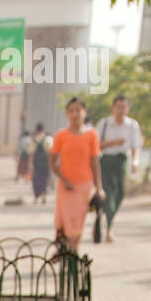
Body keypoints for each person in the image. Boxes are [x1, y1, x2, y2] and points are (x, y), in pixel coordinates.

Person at [50, 97, 104, 251]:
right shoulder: (61, 135)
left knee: (76, 223)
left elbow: (95, 161)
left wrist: (99, 187)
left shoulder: (91, 135)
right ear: (67, 114)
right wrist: (64, 179)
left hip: (84, 185)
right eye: (71, 110)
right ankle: (64, 251)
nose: (75, 114)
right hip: (66, 186)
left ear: (84, 113)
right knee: (62, 221)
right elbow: (53, 162)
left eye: (78, 110)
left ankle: (73, 254)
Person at [96, 94, 142, 242]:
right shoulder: (104, 124)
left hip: (121, 161)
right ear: (113, 108)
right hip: (106, 161)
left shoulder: (132, 125)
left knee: (119, 194)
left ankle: (108, 219)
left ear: (128, 108)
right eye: (118, 107)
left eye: (124, 107)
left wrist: (135, 162)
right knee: (108, 194)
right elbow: (96, 145)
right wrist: (113, 142)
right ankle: (109, 228)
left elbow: (135, 146)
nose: (121, 110)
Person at [30, 123, 52, 203]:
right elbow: (50, 153)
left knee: (36, 180)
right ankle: (43, 196)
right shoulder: (47, 139)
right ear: (43, 129)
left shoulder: (34, 140)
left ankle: (36, 197)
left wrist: (30, 165)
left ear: (36, 129)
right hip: (45, 164)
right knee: (44, 180)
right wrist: (50, 164)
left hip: (36, 164)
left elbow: (31, 153)